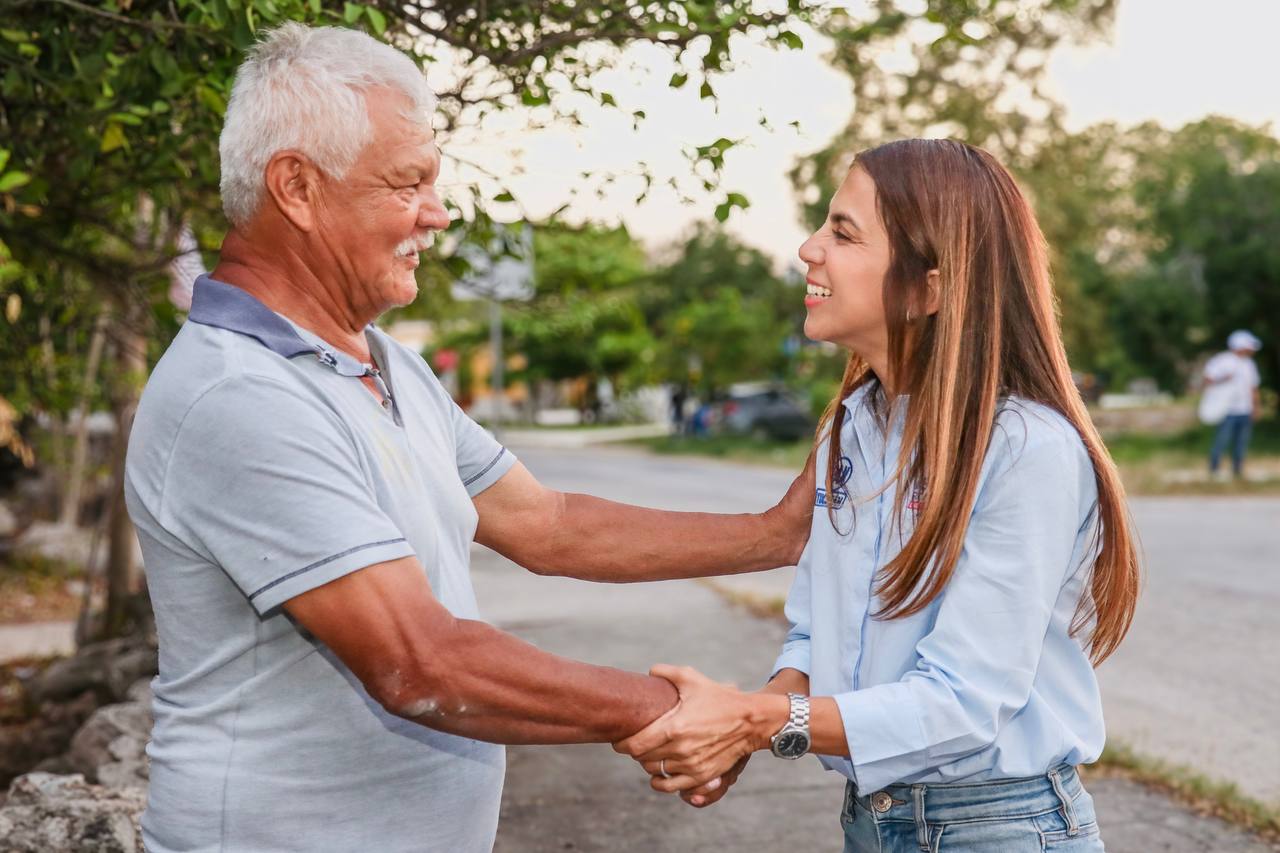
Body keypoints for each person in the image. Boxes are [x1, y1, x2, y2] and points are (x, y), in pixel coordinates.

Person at [123, 23, 814, 853]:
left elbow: (548, 523)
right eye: (407, 183)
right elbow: (419, 661)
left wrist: (781, 534)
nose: (437, 213)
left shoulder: (385, 365)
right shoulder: (240, 394)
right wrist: (674, 714)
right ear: (297, 188)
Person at [614, 139, 1142, 852]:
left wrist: (754, 721)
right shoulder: (851, 426)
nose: (808, 248)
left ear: (931, 287)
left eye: (843, 232)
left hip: (1002, 828)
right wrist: (741, 728)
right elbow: (814, 634)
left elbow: (962, 704)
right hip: (873, 818)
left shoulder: (1026, 449)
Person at [1202, 330, 1262, 480]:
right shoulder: (1222, 360)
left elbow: (1253, 387)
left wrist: (1255, 407)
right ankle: (1214, 469)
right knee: (1222, 440)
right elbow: (1208, 380)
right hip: (1226, 410)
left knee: (1241, 442)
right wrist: (1223, 378)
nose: (1251, 350)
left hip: (1245, 409)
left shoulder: (1249, 364)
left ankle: (1237, 470)